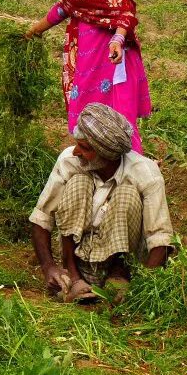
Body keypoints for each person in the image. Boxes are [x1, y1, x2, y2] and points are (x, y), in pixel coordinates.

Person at [24, 0, 152, 153]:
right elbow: (65, 6)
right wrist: (35, 30)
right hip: (82, 51)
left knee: (115, 116)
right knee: (85, 108)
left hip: (110, 54)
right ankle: (93, 166)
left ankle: (130, 172)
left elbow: (125, 11)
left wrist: (118, 38)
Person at [30, 103, 174, 303]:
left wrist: (143, 290)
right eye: (77, 144)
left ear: (107, 154)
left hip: (124, 265)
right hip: (78, 260)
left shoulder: (145, 173)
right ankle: (73, 277)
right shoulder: (69, 162)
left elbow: (161, 238)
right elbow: (41, 218)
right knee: (78, 183)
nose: (75, 152)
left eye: (85, 148)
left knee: (127, 194)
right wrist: (49, 267)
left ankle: (118, 276)